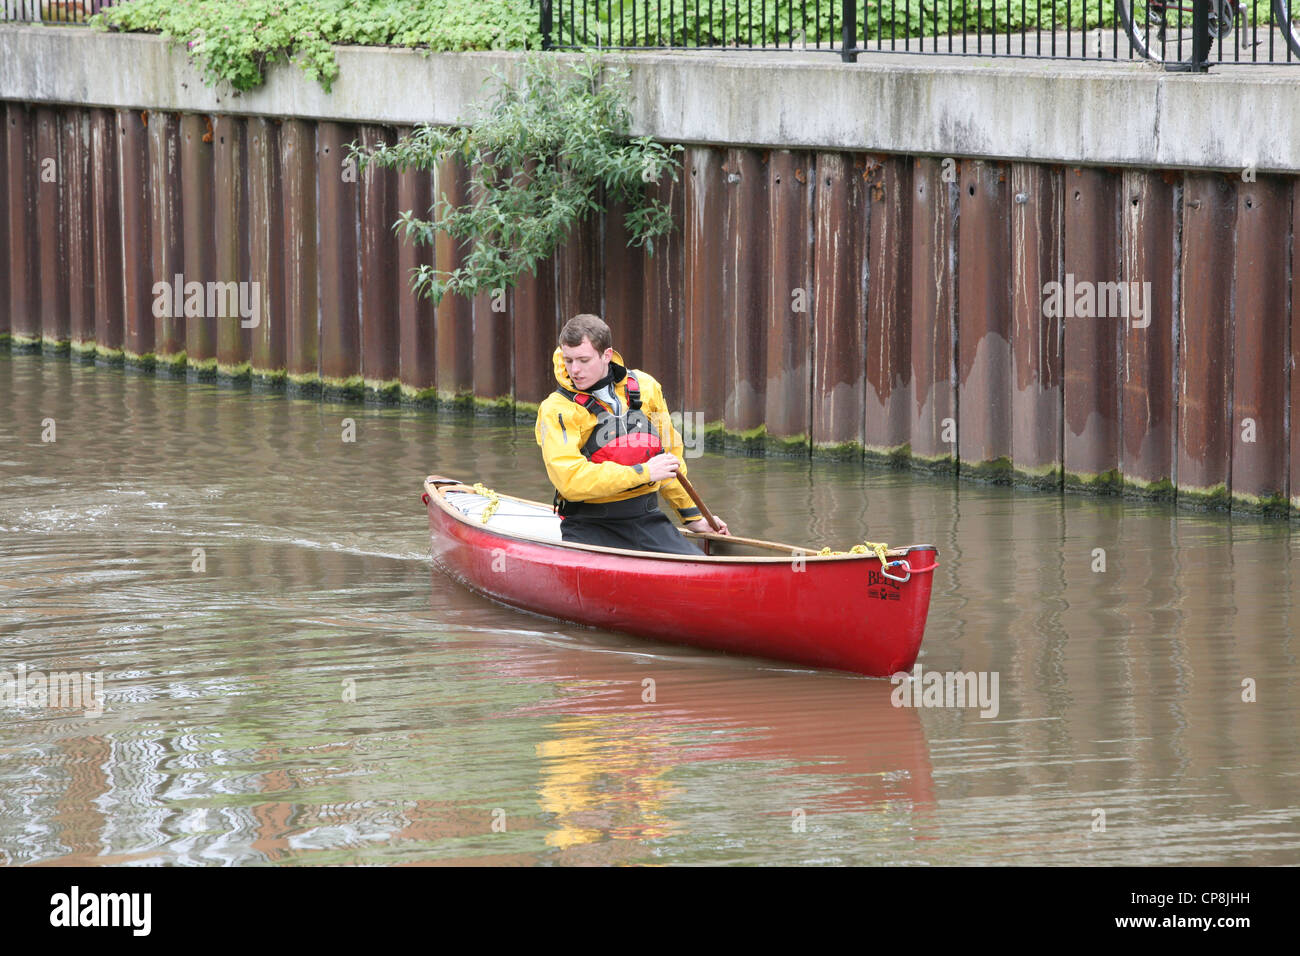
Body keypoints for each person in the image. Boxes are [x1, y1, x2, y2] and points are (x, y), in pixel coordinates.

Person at [535, 314, 730, 554]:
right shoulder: (556, 409)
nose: (574, 370)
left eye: (583, 360)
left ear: (606, 355)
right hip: (588, 525)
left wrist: (693, 517)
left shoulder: (647, 388)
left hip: (646, 519)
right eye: (568, 360)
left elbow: (669, 460)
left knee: (699, 566)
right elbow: (570, 480)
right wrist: (644, 472)